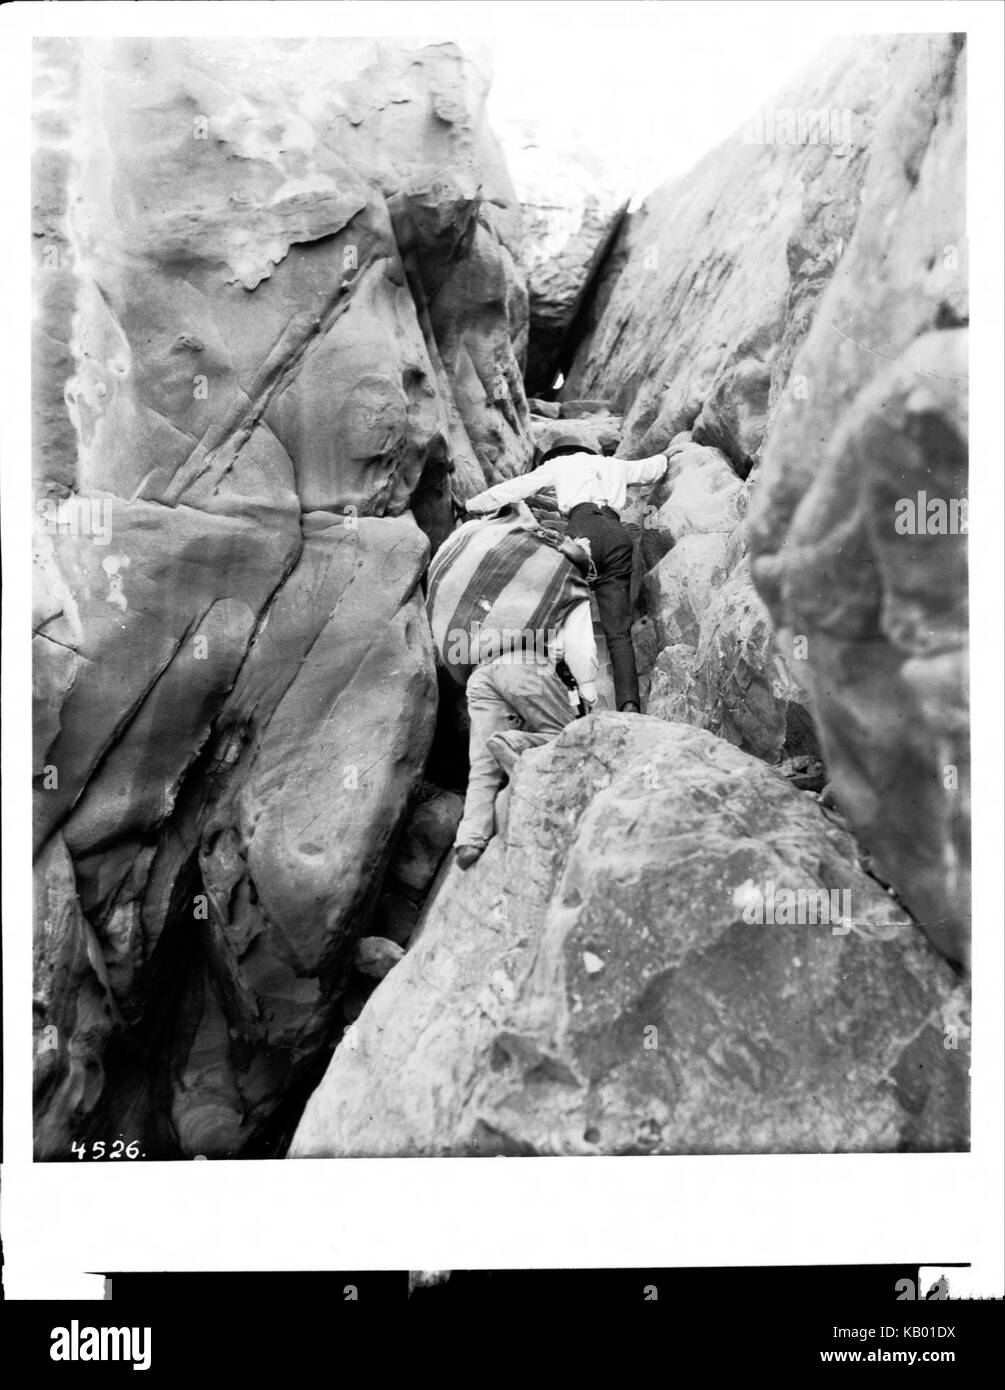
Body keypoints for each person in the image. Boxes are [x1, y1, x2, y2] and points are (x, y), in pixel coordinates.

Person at [464, 435, 670, 712]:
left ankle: (572, 698)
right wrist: (672, 453)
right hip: (618, 535)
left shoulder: (559, 465)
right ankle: (629, 705)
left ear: (557, 454)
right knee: (619, 632)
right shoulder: (614, 465)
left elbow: (515, 488)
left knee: (563, 611)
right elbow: (654, 468)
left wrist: (472, 505)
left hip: (581, 531)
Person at [453, 596, 598, 868]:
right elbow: (582, 648)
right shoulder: (564, 582)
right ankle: (513, 741)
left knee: (483, 764)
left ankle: (470, 839)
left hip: (481, 672)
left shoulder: (499, 584)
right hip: (526, 663)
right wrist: (589, 691)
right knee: (564, 738)